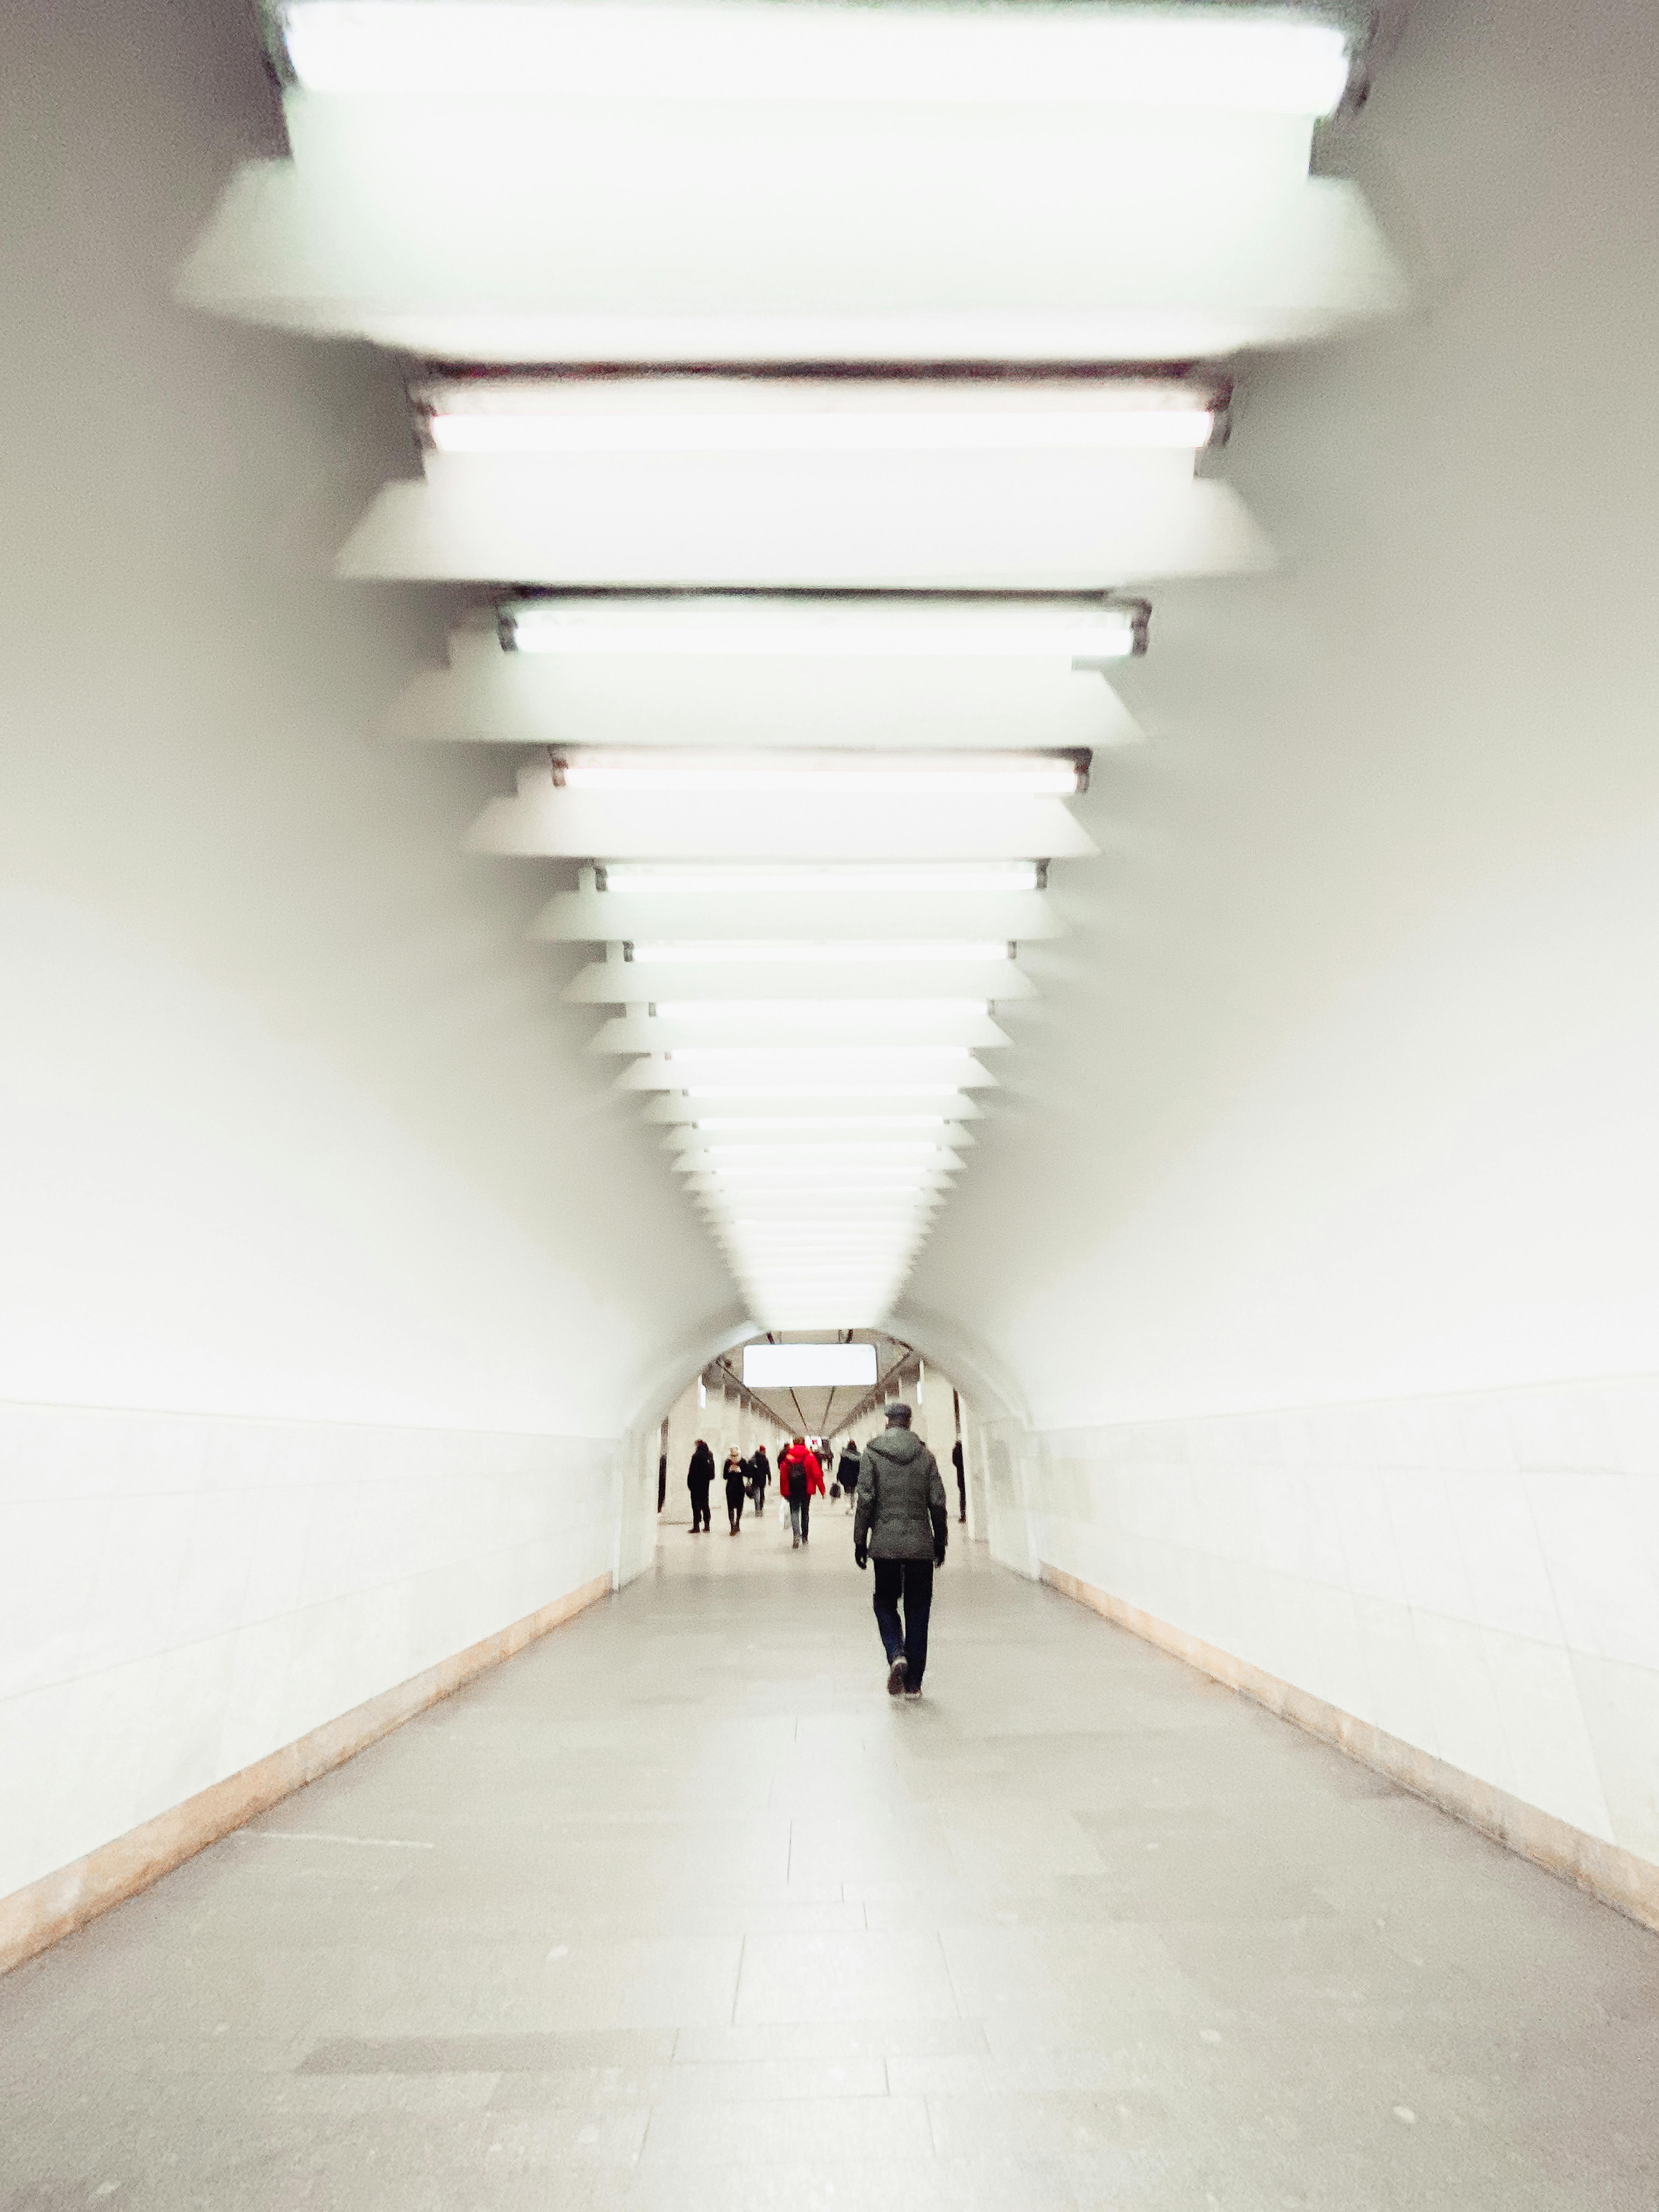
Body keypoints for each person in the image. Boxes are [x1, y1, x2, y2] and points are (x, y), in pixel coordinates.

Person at [854, 1402, 948, 1698]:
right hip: (920, 1544)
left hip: (885, 1546)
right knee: (919, 1610)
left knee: (884, 1603)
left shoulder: (872, 1454)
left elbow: (866, 1499)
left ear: (887, 1422)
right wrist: (940, 1541)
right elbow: (938, 1502)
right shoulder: (926, 1456)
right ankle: (914, 1684)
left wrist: (860, 1539)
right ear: (908, 1422)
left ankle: (896, 1652)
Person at [778, 1434, 824, 1548]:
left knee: (794, 1511)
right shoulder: (809, 1456)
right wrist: (822, 1490)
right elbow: (817, 1474)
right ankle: (805, 1537)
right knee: (805, 1513)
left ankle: (796, 1536)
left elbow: (783, 1476)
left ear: (794, 1444)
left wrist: (784, 1491)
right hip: (806, 1490)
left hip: (792, 1489)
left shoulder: (788, 1456)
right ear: (805, 1444)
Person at [687, 1438, 715, 1533]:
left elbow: (692, 1471)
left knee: (696, 1505)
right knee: (705, 1504)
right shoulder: (709, 1455)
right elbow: (712, 1471)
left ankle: (696, 1526)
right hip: (705, 1484)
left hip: (696, 1484)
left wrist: (690, 1484)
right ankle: (707, 1526)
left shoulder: (696, 1456)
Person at [723, 1446, 747, 1535]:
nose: (734, 1454)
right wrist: (730, 1470)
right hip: (730, 1488)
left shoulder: (742, 1461)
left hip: (740, 1488)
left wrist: (740, 1471)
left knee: (740, 1507)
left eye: (735, 1452)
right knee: (731, 1507)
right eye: (732, 1452)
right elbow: (725, 1476)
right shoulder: (728, 1462)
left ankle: (738, 1523)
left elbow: (748, 1472)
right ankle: (732, 1526)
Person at [835, 1437, 861, 1511]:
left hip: (846, 1477)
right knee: (853, 1493)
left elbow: (841, 1467)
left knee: (847, 1493)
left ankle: (848, 1507)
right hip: (855, 1477)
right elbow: (860, 1468)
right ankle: (853, 1507)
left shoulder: (844, 1456)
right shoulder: (859, 1456)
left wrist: (838, 1477)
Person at [952, 1437, 966, 1524]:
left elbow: (955, 1463)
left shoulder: (956, 1450)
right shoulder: (962, 1449)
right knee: (964, 1496)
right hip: (963, 1476)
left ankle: (963, 1515)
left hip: (960, 1476)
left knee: (963, 1496)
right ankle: (964, 1514)